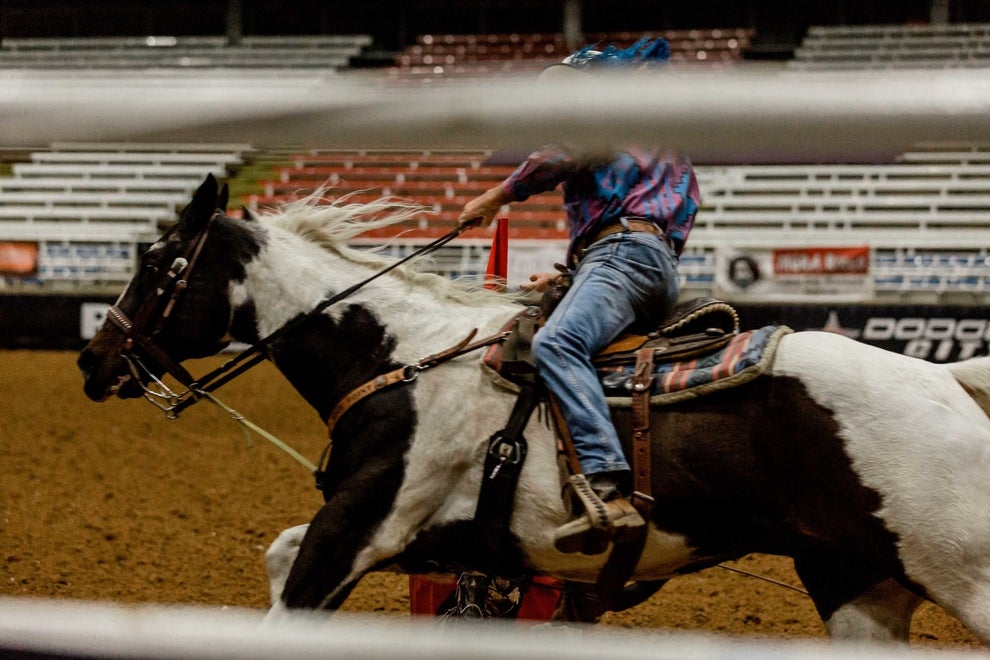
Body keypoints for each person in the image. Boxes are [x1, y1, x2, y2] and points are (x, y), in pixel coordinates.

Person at [457, 37, 700, 554]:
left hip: (622, 256)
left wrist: (497, 196)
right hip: (652, 263)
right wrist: (574, 273)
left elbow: (565, 154)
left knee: (556, 343)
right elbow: (654, 221)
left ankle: (604, 479)